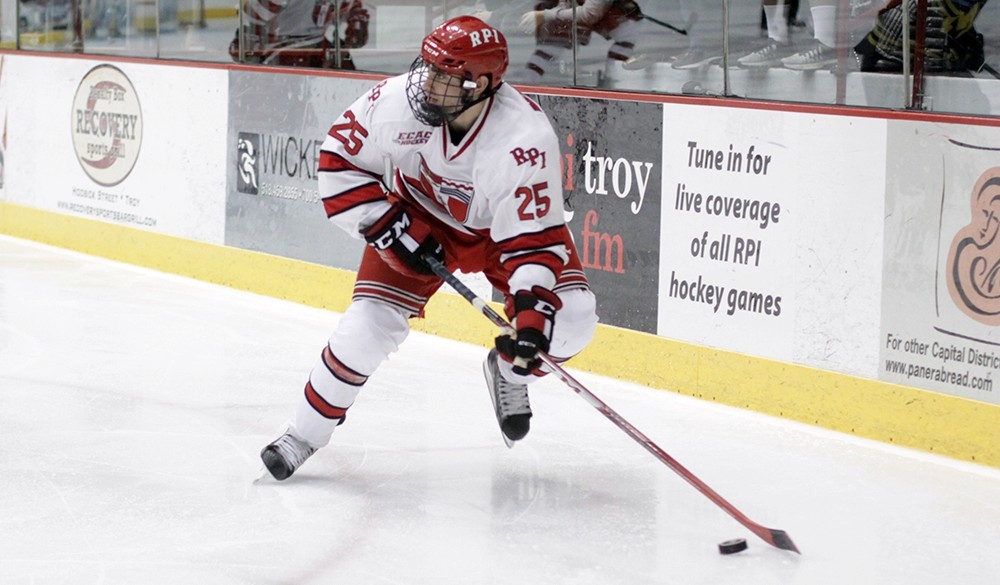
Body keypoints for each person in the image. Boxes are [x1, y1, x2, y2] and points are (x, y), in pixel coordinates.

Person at [260, 15, 599, 480]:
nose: (425, 83)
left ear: (478, 84)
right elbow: (337, 161)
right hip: (416, 219)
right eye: (429, 67)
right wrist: (385, 225)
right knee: (365, 330)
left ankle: (508, 372)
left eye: (443, 76)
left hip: (501, 235)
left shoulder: (524, 141)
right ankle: (302, 435)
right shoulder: (394, 102)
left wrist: (531, 323)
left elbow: (533, 245)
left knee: (573, 321)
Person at [518, 0, 643, 84]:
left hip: (598, 11)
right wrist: (548, 14)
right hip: (572, 9)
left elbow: (590, 13)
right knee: (550, 48)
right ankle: (527, 88)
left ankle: (613, 80)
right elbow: (589, 14)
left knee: (628, 30)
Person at [853, 0, 988, 73]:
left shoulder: (960, 5)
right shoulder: (931, 6)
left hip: (903, 74)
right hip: (892, 78)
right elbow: (934, 71)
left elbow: (957, 28)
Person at [229, 0, 369, 69]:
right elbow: (252, 19)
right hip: (283, 52)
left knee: (343, 65)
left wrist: (357, 22)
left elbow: (351, 7)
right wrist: (248, 43)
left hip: (318, 49)